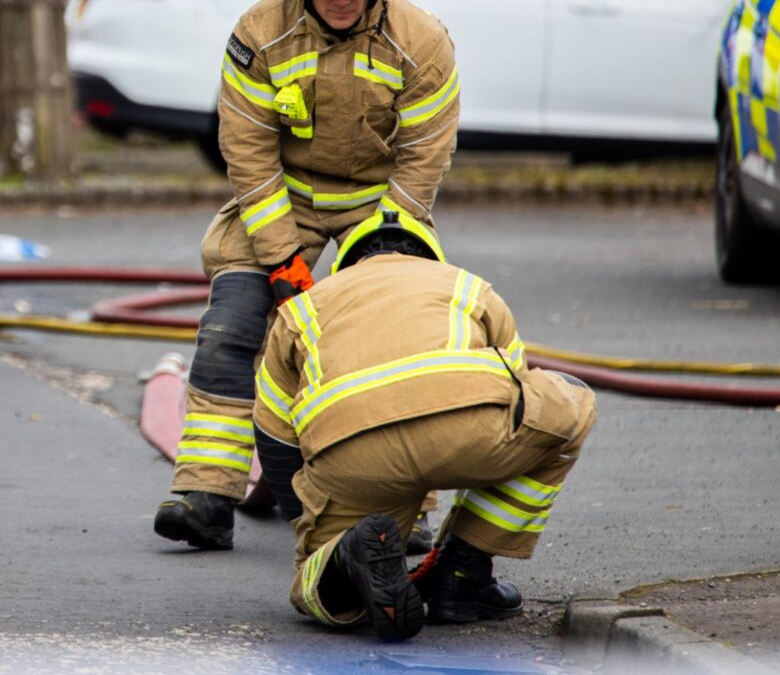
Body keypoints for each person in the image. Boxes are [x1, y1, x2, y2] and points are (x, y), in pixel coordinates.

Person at [154, 0, 459, 551]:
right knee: (233, 325)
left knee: (396, 335)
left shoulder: (423, 43)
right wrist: (281, 259)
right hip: (282, 195)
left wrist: (382, 252)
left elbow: (422, 161)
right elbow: (248, 152)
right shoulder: (259, 35)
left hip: (380, 200)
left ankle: (405, 507)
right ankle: (206, 495)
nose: (343, 1)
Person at [252, 207, 597, 640]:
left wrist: (310, 521)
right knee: (566, 405)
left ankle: (345, 556)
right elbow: (519, 394)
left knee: (316, 578)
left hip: (354, 457)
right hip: (468, 435)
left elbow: (274, 435)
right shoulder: (467, 286)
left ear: (348, 264)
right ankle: (462, 572)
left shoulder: (303, 308)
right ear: (430, 256)